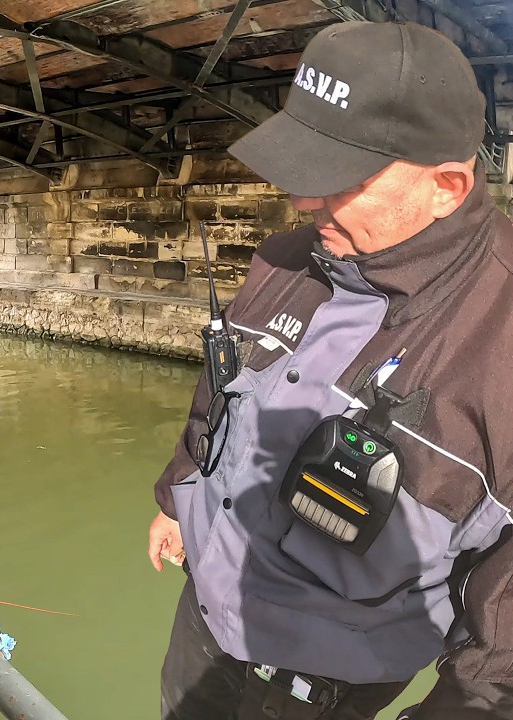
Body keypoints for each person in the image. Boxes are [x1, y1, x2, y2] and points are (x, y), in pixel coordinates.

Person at [147, 20, 513, 719]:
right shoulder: (286, 257)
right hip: (204, 623)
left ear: (445, 184)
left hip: (319, 690)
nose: (302, 200)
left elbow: (503, 651)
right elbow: (219, 397)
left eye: (334, 177)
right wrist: (175, 498)